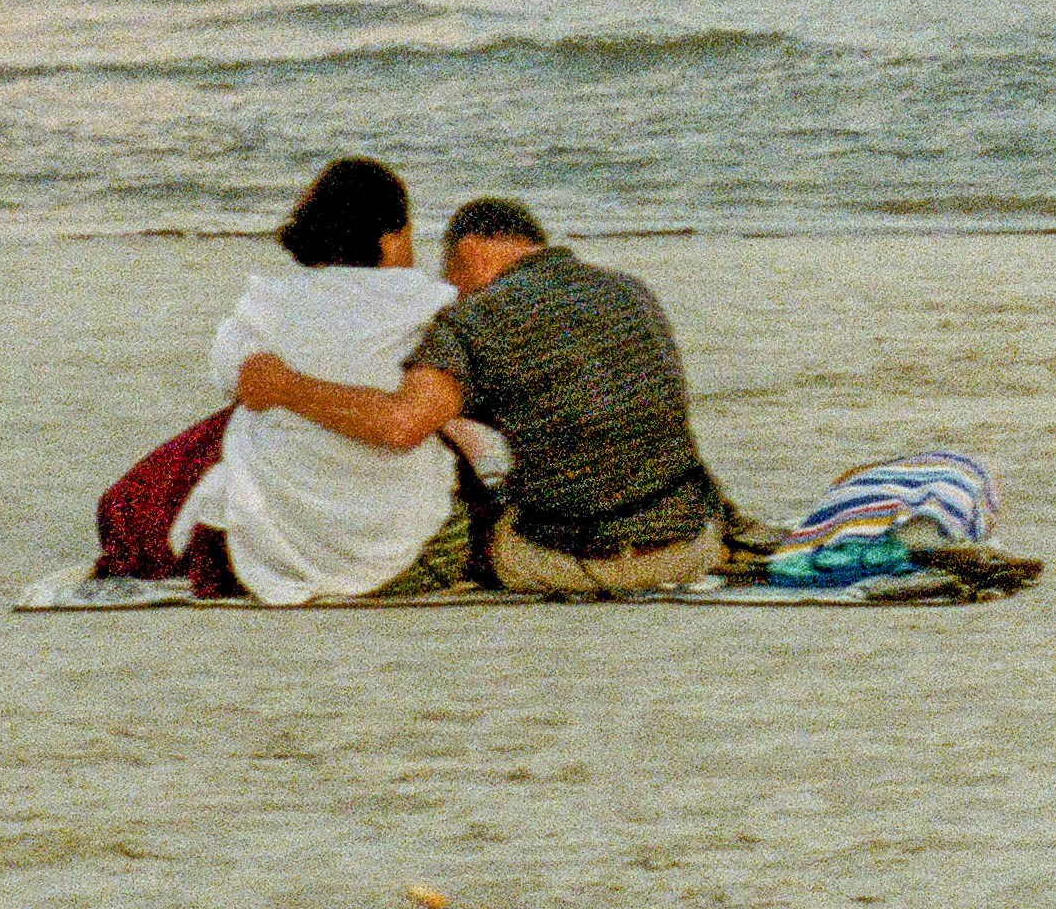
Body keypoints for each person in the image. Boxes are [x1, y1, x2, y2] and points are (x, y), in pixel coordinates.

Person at [231, 194, 731, 595]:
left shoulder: (475, 319)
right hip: (690, 545)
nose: (449, 289)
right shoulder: (632, 292)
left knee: (456, 521)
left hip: (575, 561)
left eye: (449, 275)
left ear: (467, 251)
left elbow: (400, 425)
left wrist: (284, 386)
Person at [90, 157, 476, 603]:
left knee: (233, 426)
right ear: (393, 237)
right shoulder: (437, 304)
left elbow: (235, 379)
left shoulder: (267, 303)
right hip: (399, 550)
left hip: (273, 551)